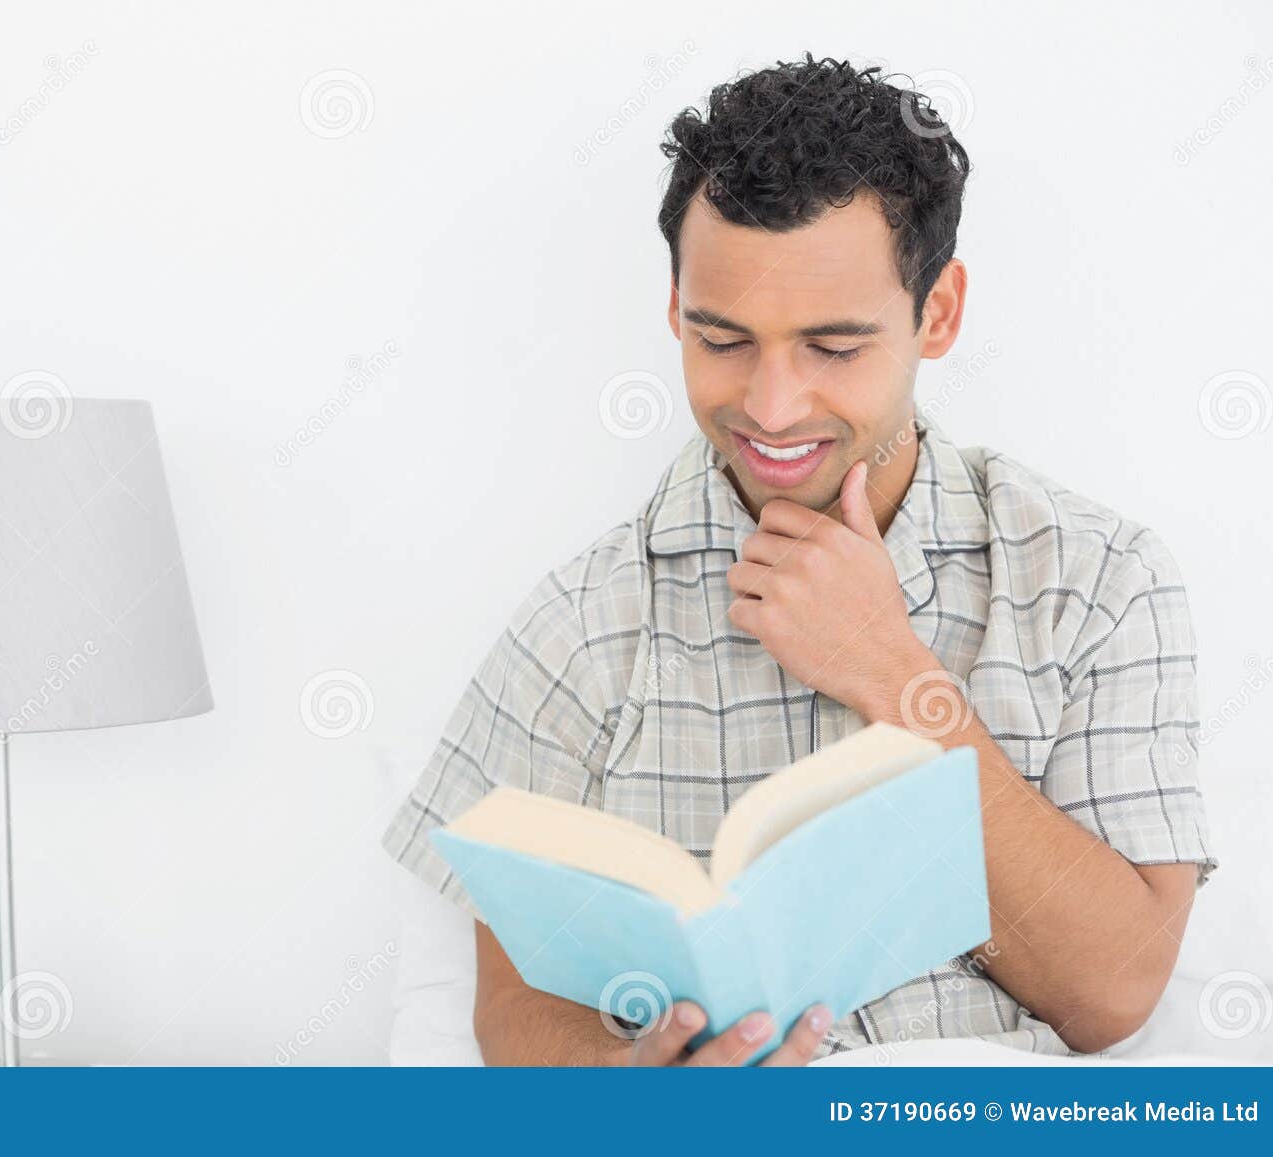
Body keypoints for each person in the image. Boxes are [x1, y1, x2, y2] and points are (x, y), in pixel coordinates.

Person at [381, 53, 1214, 1066]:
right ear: (676, 308)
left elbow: (1112, 993)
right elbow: (514, 1002)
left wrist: (893, 676)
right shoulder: (582, 621)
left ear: (938, 313)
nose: (771, 409)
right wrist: (626, 1083)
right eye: (722, 339)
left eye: (834, 346)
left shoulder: (1099, 579)